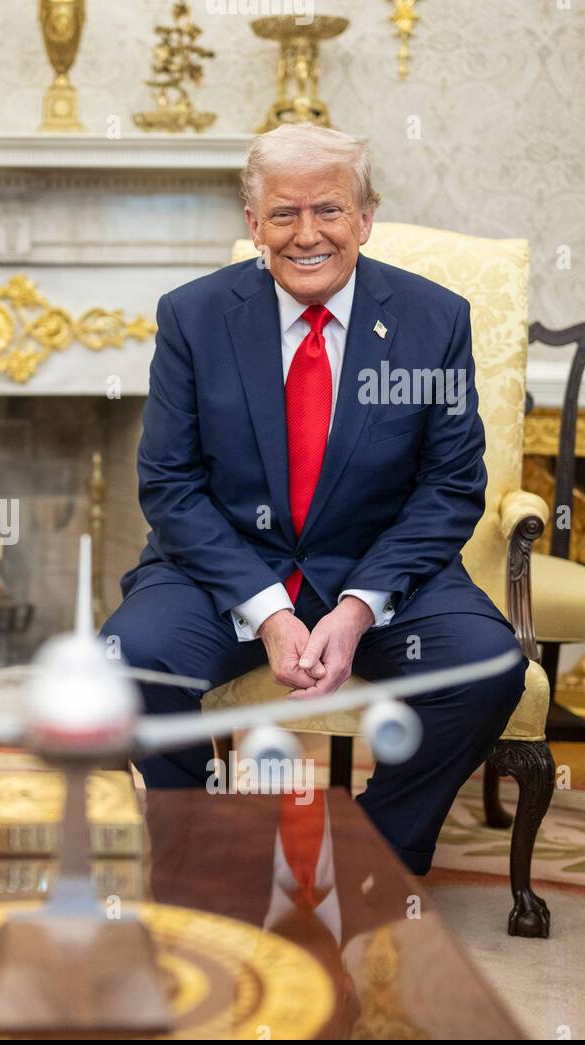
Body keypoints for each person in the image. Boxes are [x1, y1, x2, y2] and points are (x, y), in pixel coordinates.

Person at [102, 123, 527, 875]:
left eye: (329, 210)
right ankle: (201, 845)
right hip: (222, 568)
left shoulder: (434, 320)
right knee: (131, 660)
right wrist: (266, 609)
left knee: (485, 666)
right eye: (284, 214)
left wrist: (361, 604)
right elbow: (170, 484)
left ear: (365, 217)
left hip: (382, 565)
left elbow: (451, 485)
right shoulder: (193, 317)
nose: (307, 235)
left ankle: (368, 855)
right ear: (253, 224)